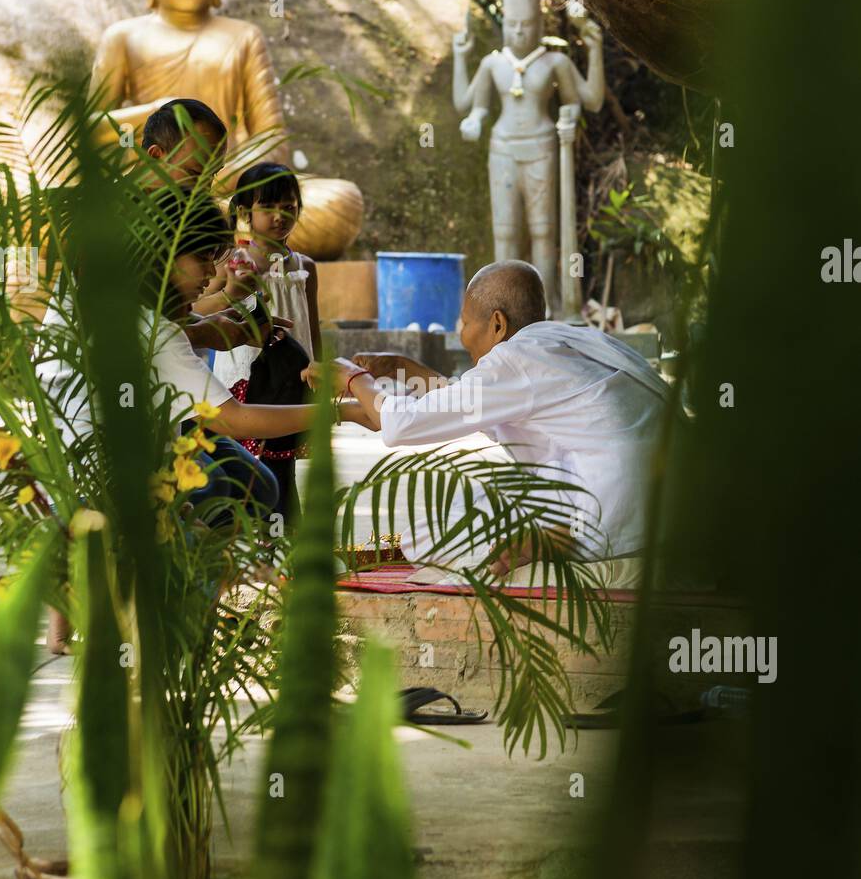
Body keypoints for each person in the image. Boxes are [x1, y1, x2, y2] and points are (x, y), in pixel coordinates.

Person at [303, 260, 671, 582]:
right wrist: (401, 369)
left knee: (448, 521)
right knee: (481, 497)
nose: (462, 336)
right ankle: (546, 534)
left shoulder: (514, 359)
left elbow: (402, 425)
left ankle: (550, 539)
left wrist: (354, 379)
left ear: (497, 323)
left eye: (464, 323)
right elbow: (469, 403)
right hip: (659, 502)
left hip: (612, 512)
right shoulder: (562, 340)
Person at [195, 162, 320, 524]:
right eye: (268, 207)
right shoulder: (234, 262)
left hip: (293, 376)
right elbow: (197, 310)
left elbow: (311, 326)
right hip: (244, 374)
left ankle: (286, 527)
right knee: (250, 452)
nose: (280, 216)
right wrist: (233, 293)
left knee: (283, 456)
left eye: (289, 207)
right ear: (246, 211)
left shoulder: (306, 266)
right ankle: (252, 529)